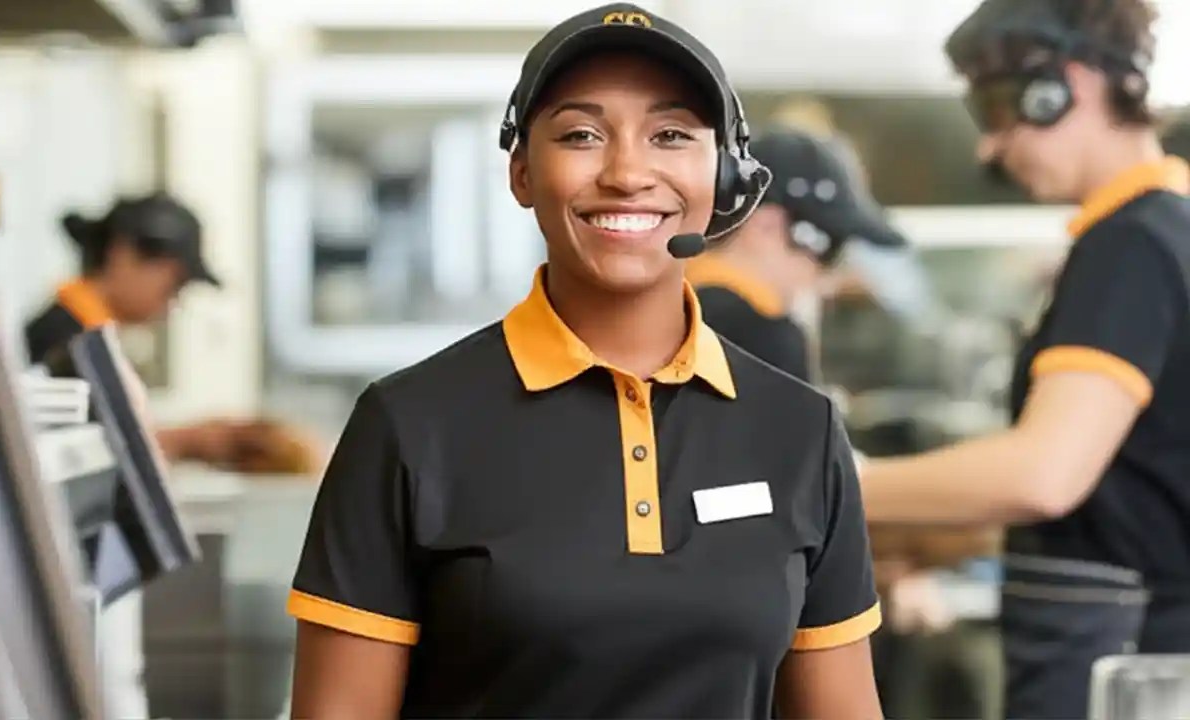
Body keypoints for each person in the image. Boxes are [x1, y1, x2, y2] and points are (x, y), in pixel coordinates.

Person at [286, 4, 883, 718]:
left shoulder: (800, 432)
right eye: (581, 135)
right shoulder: (410, 425)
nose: (629, 173)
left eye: (670, 135)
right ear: (521, 172)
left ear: (722, 175)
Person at [858, 1, 1190, 717]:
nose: (988, 148)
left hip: (1120, 665)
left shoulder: (1131, 244)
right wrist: (930, 537)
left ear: (1069, 82)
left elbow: (1045, 475)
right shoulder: (1168, 230)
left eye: (995, 106)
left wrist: (834, 489)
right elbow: (1127, 493)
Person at [26, 192, 320, 474]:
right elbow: (90, 456)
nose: (172, 304)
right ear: (123, 255)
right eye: (174, 285)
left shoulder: (84, 340)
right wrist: (190, 441)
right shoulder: (63, 346)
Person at [686, 126, 908, 382]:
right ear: (765, 226)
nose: (827, 273)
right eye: (828, 245)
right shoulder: (762, 338)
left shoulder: (660, 310)